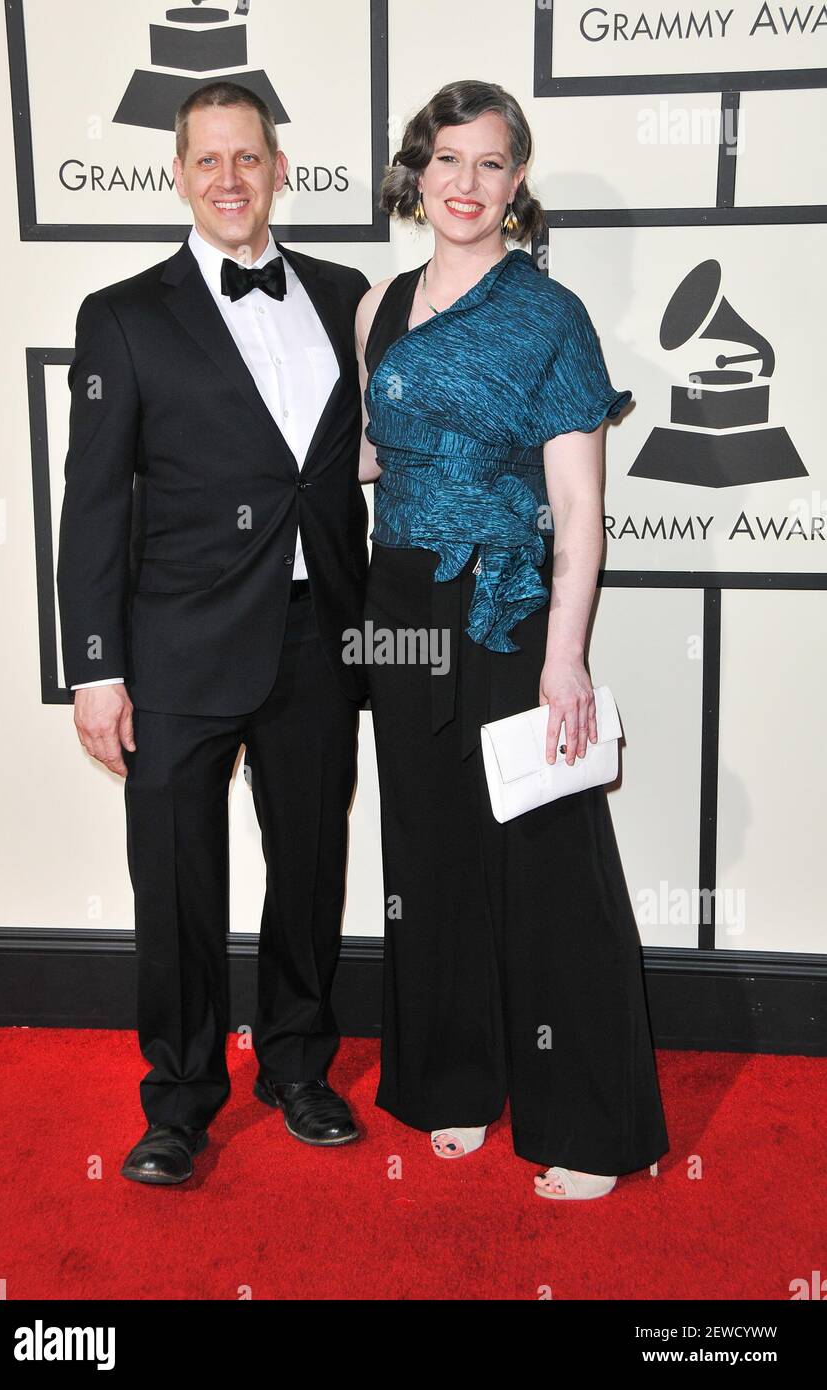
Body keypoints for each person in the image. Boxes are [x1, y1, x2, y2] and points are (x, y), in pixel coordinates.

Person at [354, 80, 669, 1200]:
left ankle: (585, 1118)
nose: (463, 184)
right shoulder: (379, 305)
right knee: (427, 844)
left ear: (516, 180)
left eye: (489, 163)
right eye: (445, 160)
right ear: (416, 171)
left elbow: (578, 509)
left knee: (544, 856)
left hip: (507, 600)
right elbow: (375, 455)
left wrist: (563, 654)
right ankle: (451, 1078)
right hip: (400, 606)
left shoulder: (549, 316)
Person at [57, 81, 370, 1184]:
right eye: (208, 161)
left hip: (316, 636)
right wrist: (94, 669)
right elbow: (92, 502)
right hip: (176, 647)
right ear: (178, 175)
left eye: (249, 158)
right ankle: (181, 1098)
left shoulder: (347, 298)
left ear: (279, 168)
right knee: (178, 879)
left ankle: (297, 1064)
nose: (230, 179)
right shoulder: (125, 315)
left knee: (310, 863)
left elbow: (362, 455)